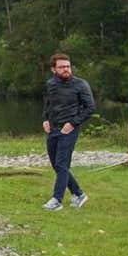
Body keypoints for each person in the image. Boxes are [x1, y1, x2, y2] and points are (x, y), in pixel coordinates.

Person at [42, 52, 96, 210]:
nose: (66, 69)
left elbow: (90, 108)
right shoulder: (50, 84)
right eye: (62, 67)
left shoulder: (81, 84)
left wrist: (73, 123)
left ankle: (56, 200)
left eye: (68, 66)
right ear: (54, 69)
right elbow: (47, 104)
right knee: (57, 165)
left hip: (69, 129)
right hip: (53, 129)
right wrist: (45, 119)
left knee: (62, 163)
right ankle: (79, 194)